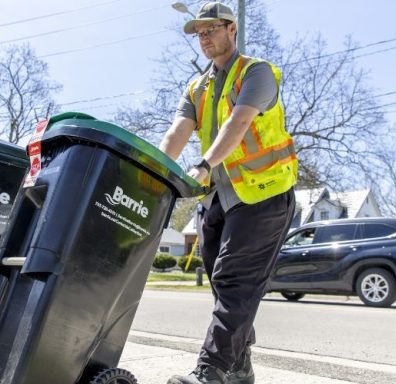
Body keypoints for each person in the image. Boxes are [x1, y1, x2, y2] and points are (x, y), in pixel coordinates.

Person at [158, 2, 298, 384]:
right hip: (219, 198)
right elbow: (176, 134)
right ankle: (239, 368)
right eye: (199, 33)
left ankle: (212, 371)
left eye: (211, 29)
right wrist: (150, 173)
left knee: (235, 280)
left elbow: (237, 125)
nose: (204, 38)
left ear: (231, 29)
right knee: (222, 287)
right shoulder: (197, 87)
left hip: (265, 194)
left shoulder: (256, 73)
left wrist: (203, 164)